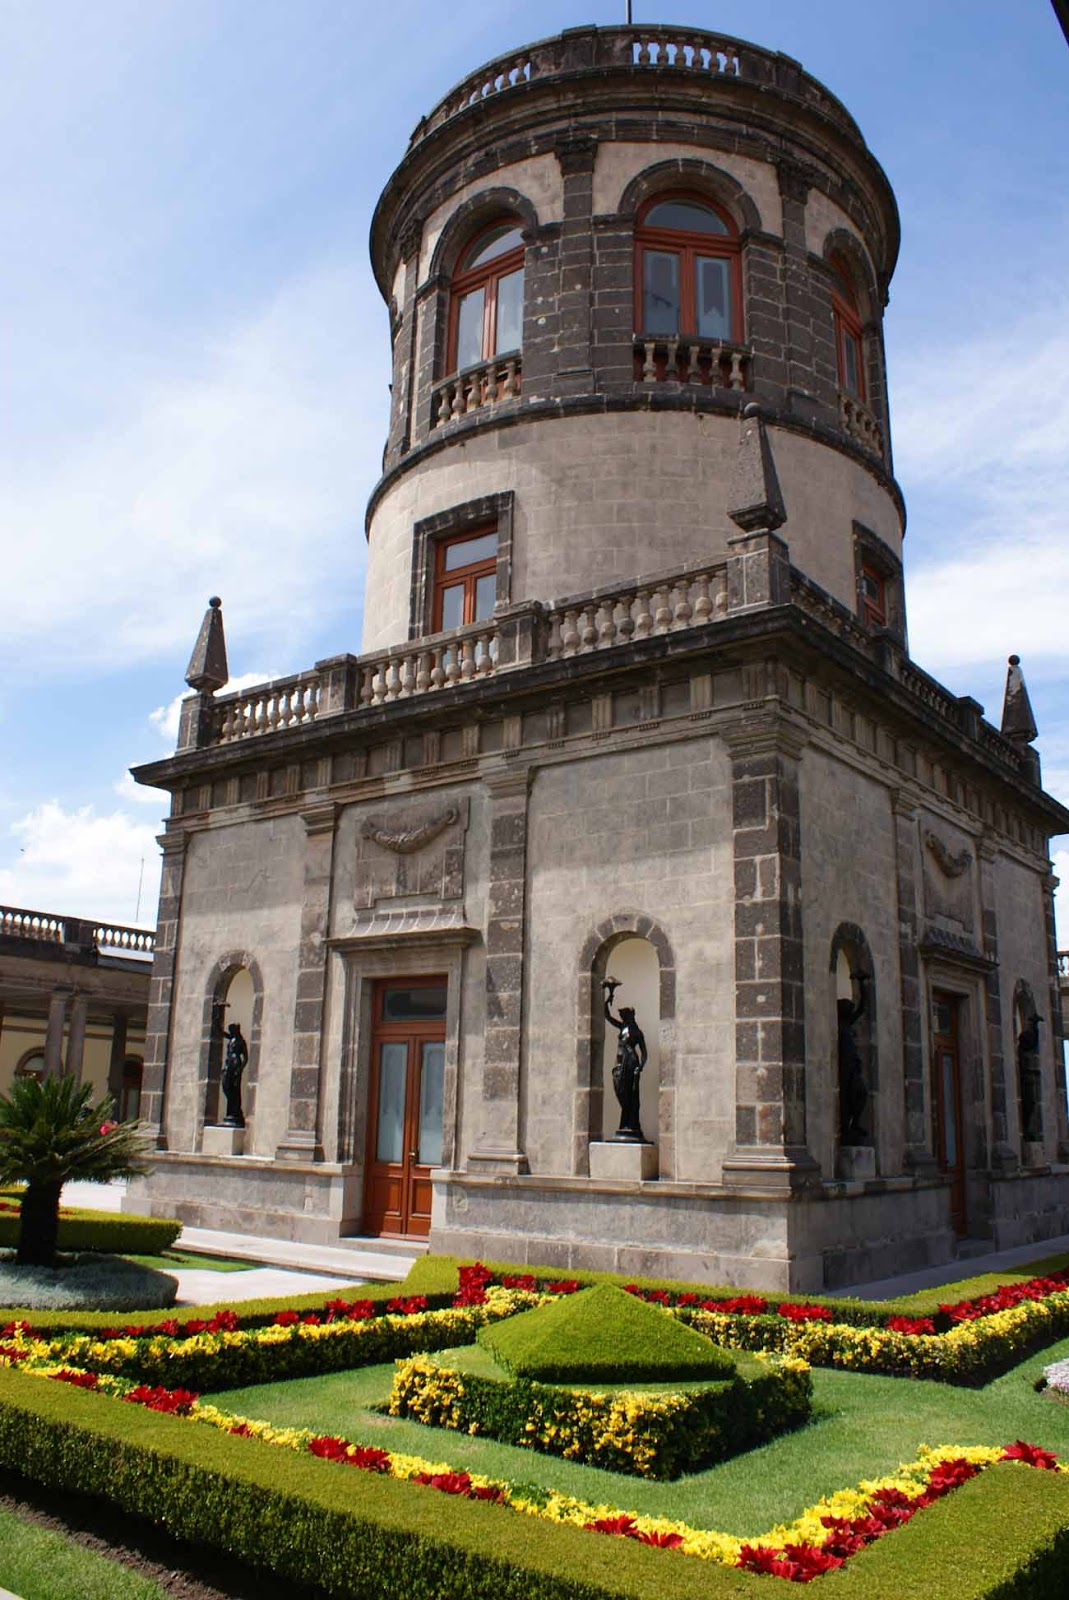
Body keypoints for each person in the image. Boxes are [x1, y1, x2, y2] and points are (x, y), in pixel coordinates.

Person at [602, 978, 648, 1140]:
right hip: (620, 1065)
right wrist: (608, 999)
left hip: (631, 1064)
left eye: (624, 1014)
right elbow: (607, 1016)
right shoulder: (622, 1027)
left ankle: (631, 1124)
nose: (621, 1016)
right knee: (620, 1092)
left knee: (630, 1095)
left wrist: (640, 1067)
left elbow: (644, 1053)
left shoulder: (637, 1032)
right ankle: (626, 1123)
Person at [837, 972, 870, 1144]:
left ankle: (855, 1123)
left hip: (853, 1065)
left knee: (861, 1093)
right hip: (844, 1068)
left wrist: (862, 985)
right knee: (847, 1099)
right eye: (848, 1006)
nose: (851, 1008)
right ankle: (847, 1126)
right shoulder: (839, 1026)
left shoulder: (848, 1024)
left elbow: (862, 1008)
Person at [222, 1022, 249, 1127]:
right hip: (228, 1064)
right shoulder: (231, 1038)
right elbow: (222, 1033)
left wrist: (240, 1068)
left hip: (235, 1064)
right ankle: (231, 1111)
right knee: (226, 1086)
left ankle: (235, 1112)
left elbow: (245, 1057)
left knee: (234, 1089)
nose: (231, 1031)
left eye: (232, 1029)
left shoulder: (240, 1042)